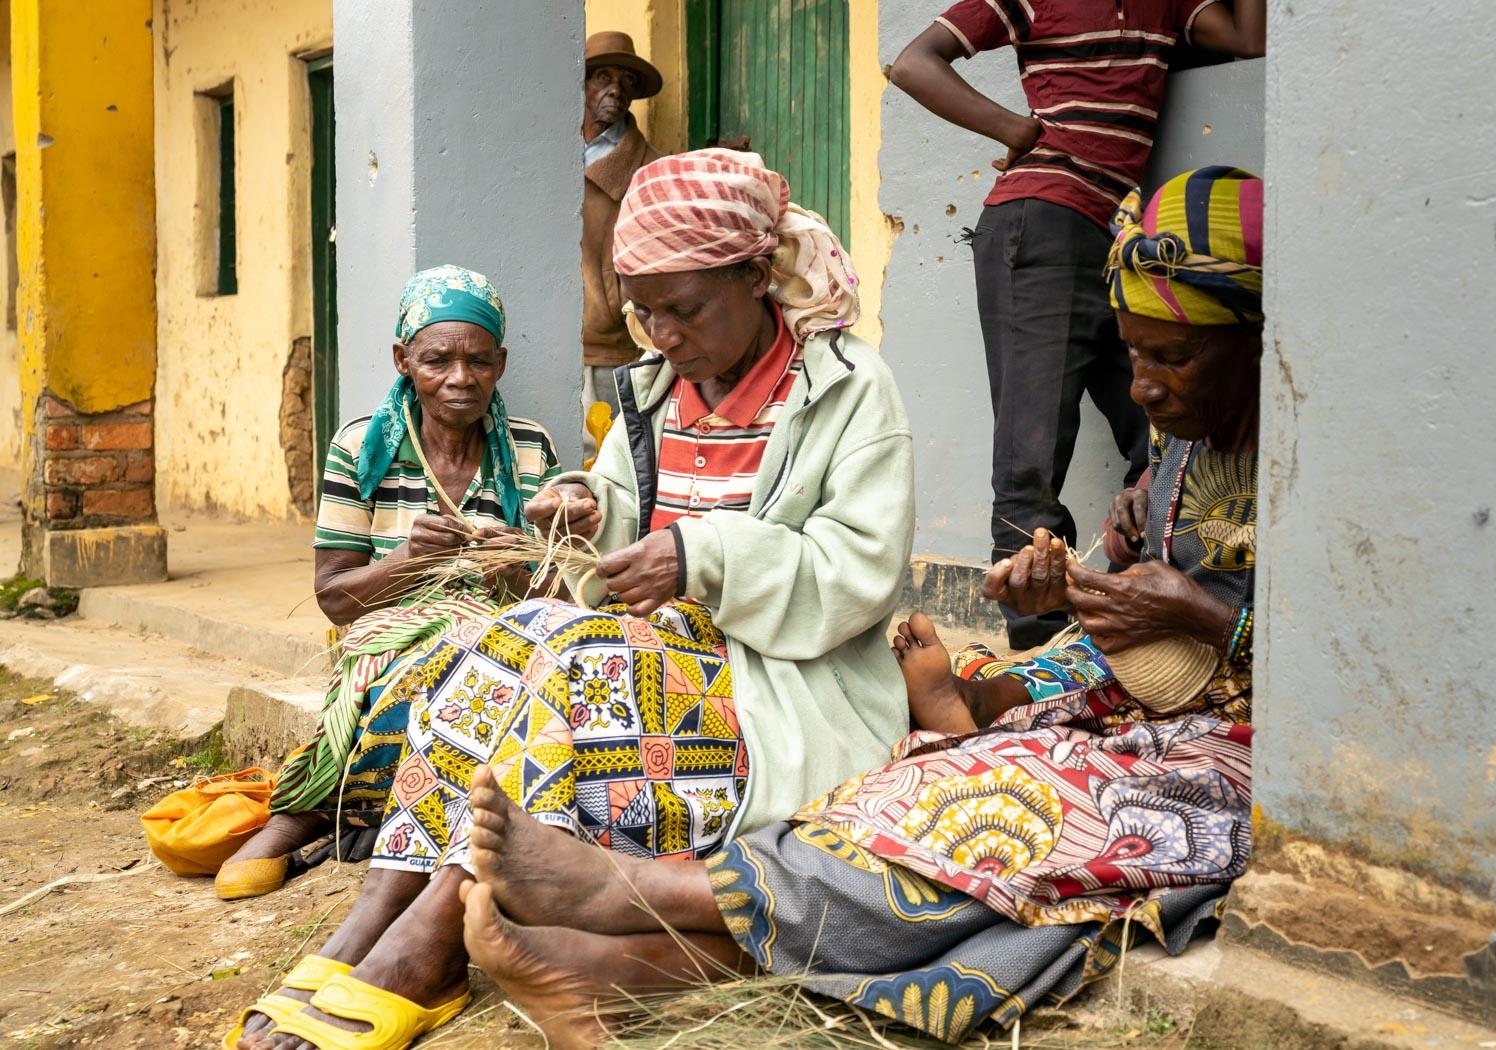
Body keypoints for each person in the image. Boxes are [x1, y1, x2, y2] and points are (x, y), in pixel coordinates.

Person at [445, 166, 1264, 1049]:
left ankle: (638, 894)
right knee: (915, 762)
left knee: (980, 807)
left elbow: (1373, 689)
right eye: (1131, 351)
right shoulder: (1185, 439)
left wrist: (1205, 617)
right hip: (1127, 689)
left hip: (1239, 740)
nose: (1140, 387)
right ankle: (622, 973)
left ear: (1263, 341)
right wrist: (1081, 579)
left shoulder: (1340, 464)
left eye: (1171, 359)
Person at [228, 150, 916, 1050]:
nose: (660, 334)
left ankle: (432, 930)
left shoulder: (849, 390)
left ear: (755, 273)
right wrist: (584, 508)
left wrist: (698, 554)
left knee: (576, 657)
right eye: (644, 310)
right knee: (498, 637)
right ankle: (381, 905)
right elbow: (614, 528)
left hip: (783, 691)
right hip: (653, 663)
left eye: (684, 308)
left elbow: (857, 575)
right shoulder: (657, 392)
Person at [889, 0, 1264, 649]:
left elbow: (1248, 37)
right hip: (1039, 222)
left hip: (1115, 238)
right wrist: (1014, 129)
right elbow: (913, 63)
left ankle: (1138, 614)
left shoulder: (1168, 4)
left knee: (1154, 435)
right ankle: (1039, 648)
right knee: (1029, 457)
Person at [214, 266, 560, 907]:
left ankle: (360, 816)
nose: (460, 380)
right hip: (389, 643)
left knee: (496, 666)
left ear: (501, 363)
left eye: (479, 362)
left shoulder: (531, 449)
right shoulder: (358, 448)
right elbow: (334, 596)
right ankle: (322, 806)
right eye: (437, 362)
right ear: (404, 360)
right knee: (423, 668)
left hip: (501, 641)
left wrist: (510, 566)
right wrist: (407, 561)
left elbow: (557, 590)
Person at [581, 30, 663, 464]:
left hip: (609, 344)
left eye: (626, 83)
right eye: (603, 77)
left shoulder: (649, 167)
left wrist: (616, 302)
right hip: (549, 333)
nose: (614, 90)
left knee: (603, 461)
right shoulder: (547, 152)